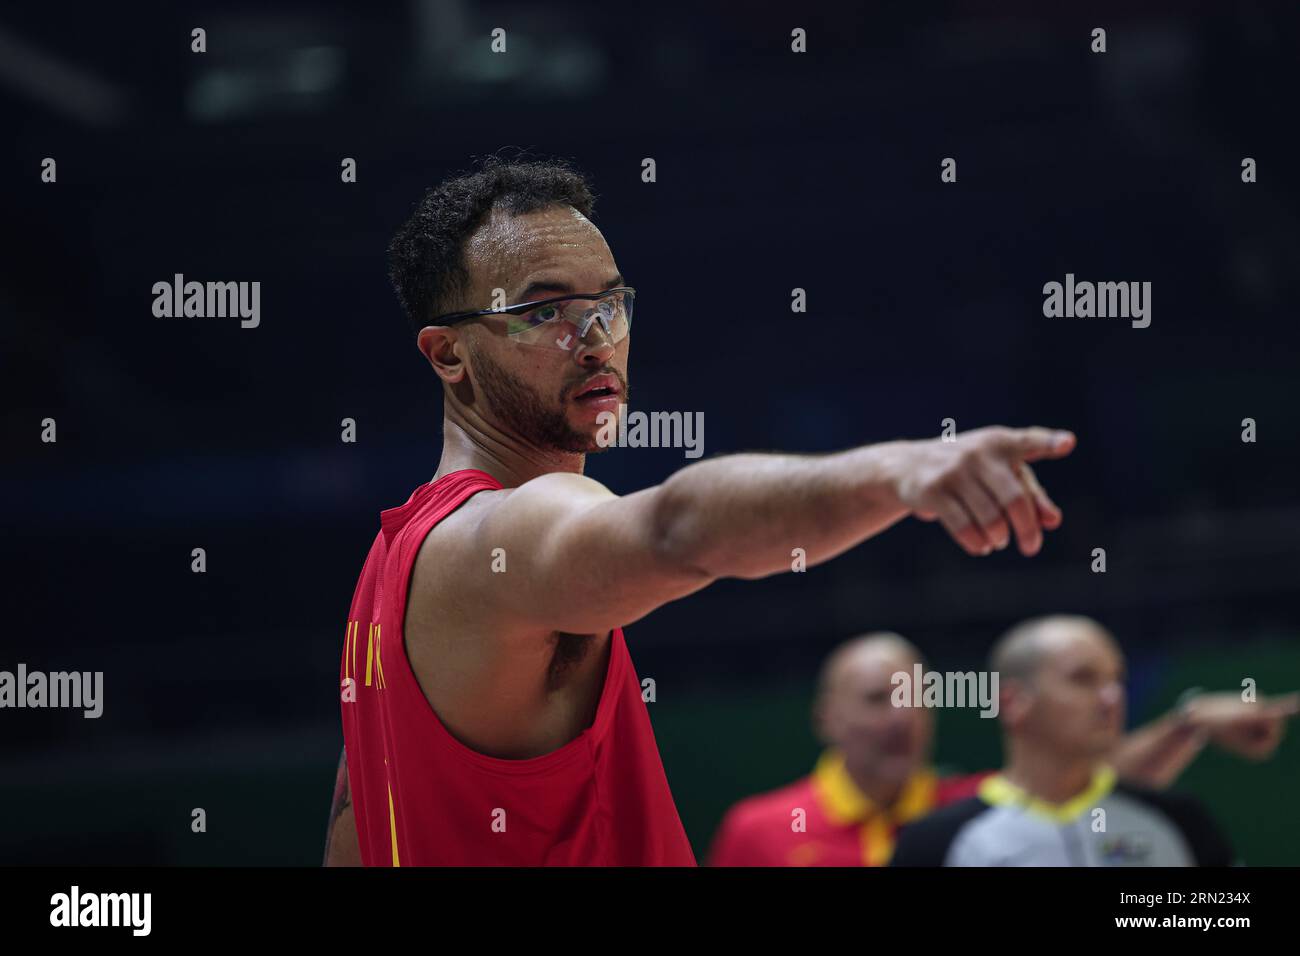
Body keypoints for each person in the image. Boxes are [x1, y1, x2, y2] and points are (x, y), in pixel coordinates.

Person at [321, 152, 1077, 866]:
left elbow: (352, 828)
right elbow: (676, 528)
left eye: (609, 303)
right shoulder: (503, 530)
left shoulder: (390, 572)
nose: (595, 339)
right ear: (449, 355)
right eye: (545, 310)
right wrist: (899, 469)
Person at [709, 631, 1296, 866]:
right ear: (824, 717)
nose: (903, 716)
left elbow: (1101, 785)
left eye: (917, 697)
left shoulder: (961, 816)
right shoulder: (758, 831)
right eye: (876, 698)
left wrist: (1187, 722)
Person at [888, 615, 1297, 866]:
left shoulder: (1180, 820)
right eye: (1083, 679)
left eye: (1116, 680)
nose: (1110, 698)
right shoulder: (936, 843)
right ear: (1013, 702)